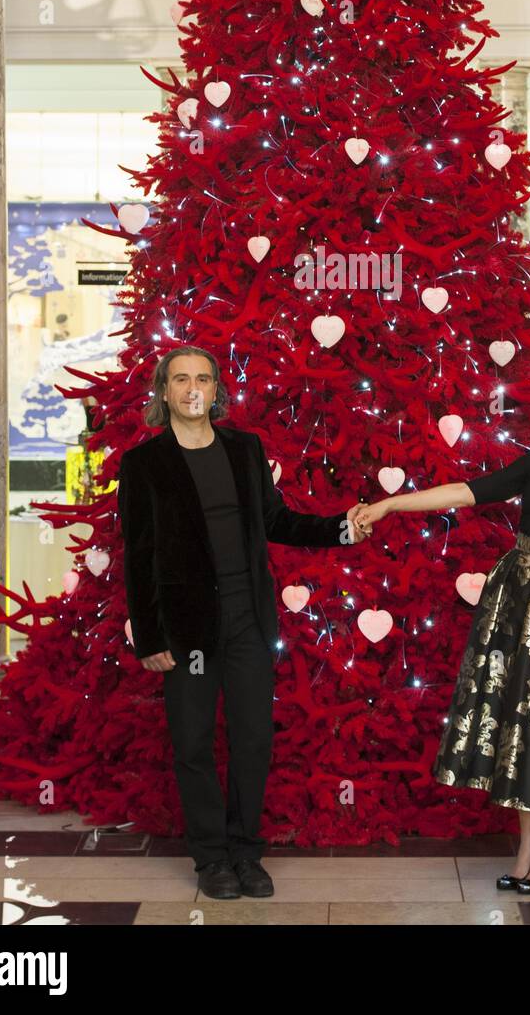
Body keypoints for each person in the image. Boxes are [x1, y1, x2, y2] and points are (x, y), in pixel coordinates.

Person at [354, 362, 530, 895]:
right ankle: (529, 848)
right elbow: (468, 491)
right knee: (517, 719)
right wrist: (393, 503)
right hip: (515, 601)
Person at [117, 345, 370, 900]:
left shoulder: (245, 450)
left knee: (253, 739)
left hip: (248, 619)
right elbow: (138, 555)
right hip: (186, 630)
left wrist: (341, 530)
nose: (191, 388)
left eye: (202, 379)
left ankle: (245, 851)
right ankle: (211, 860)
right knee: (193, 743)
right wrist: (151, 636)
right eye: (180, 379)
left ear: (215, 391)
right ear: (164, 391)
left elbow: (276, 520)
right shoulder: (143, 465)